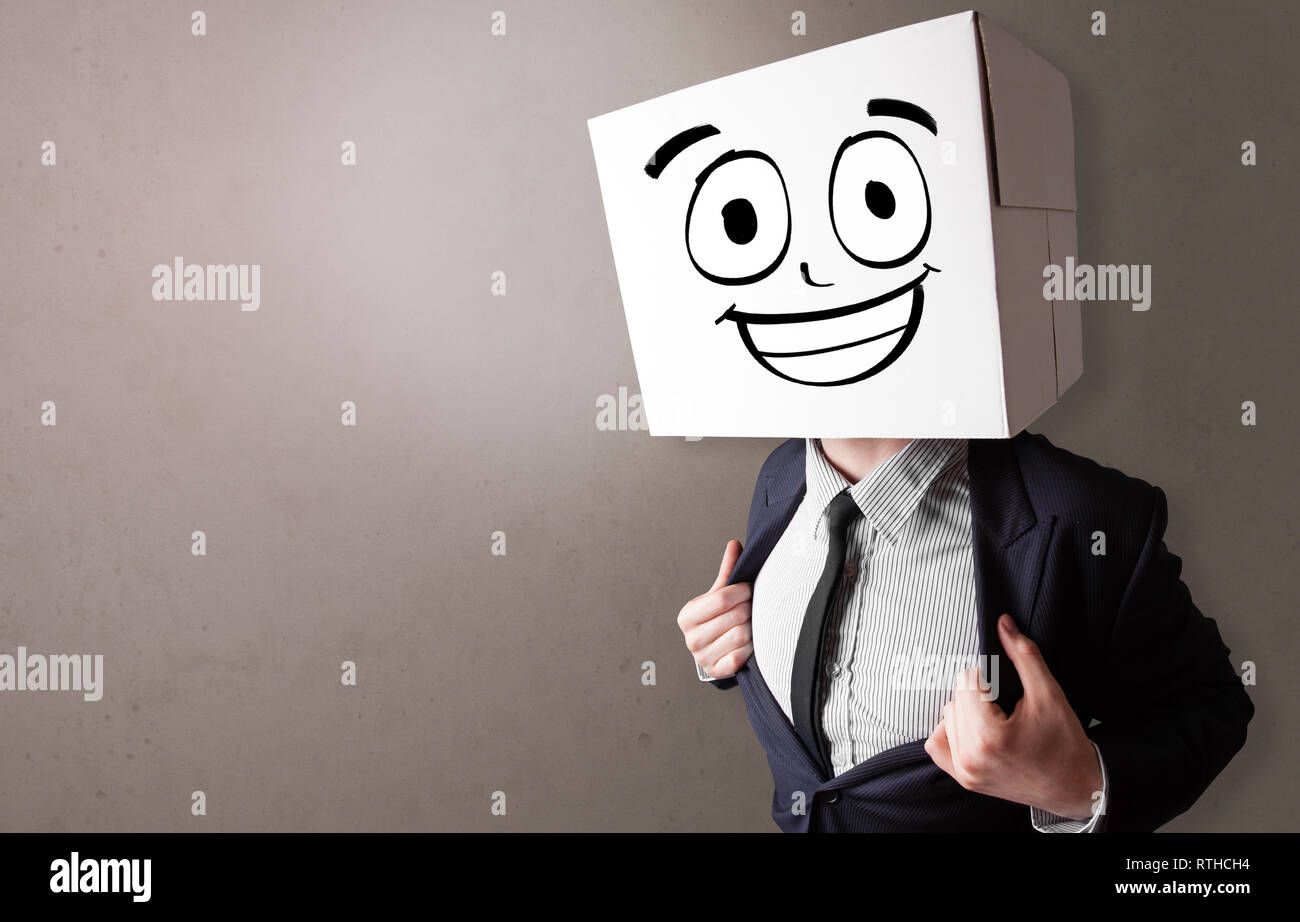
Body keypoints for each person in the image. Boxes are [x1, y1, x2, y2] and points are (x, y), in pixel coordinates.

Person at [678, 432, 1254, 832]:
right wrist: (726, 650)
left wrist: (1081, 785)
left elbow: (1212, 707)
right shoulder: (781, 473)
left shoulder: (1083, 515)